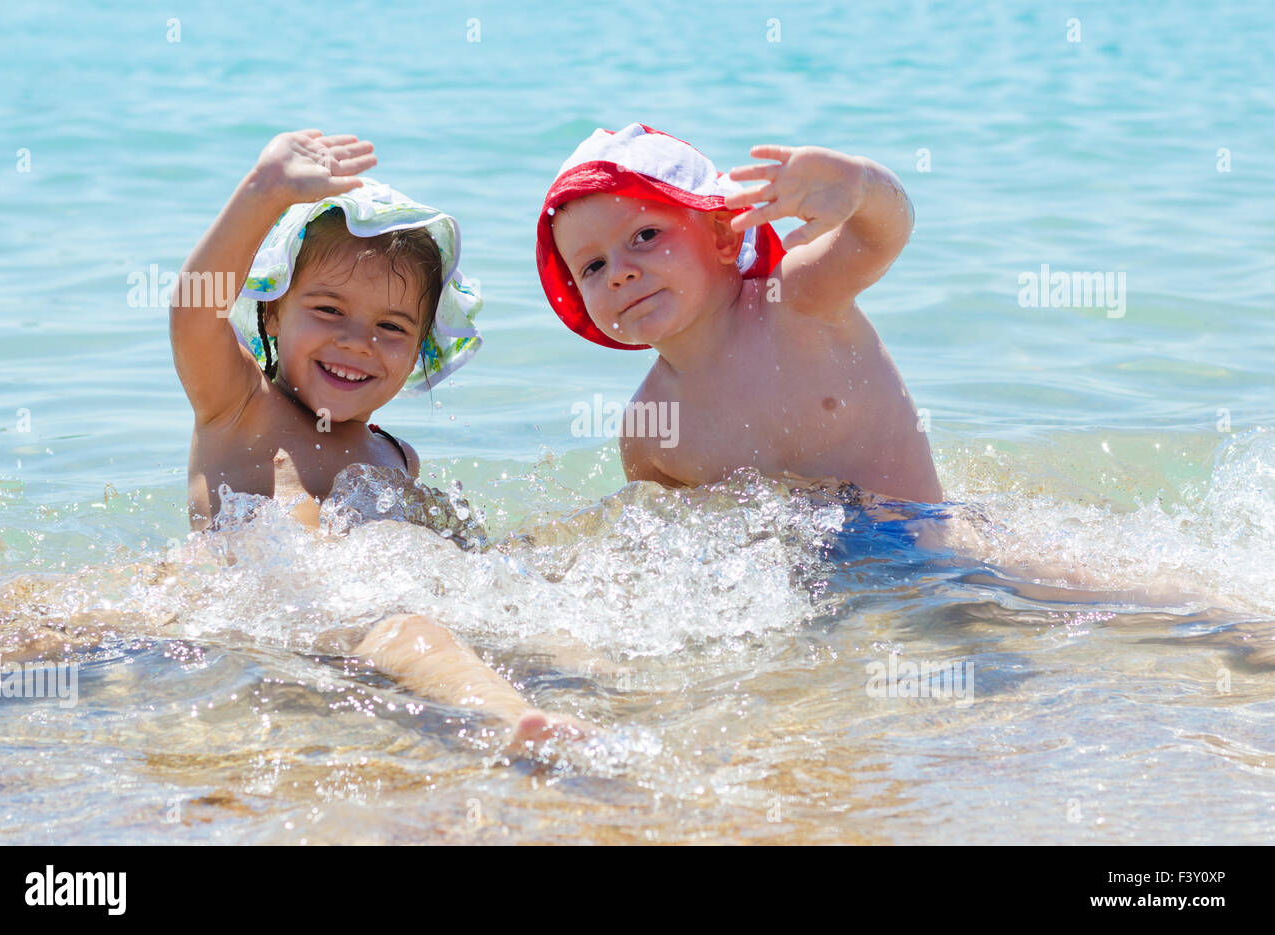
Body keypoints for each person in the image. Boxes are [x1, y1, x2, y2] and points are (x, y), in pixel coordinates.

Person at [171, 129, 585, 752]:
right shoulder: (239, 406)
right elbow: (194, 310)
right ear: (274, 311)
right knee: (414, 635)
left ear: (420, 349)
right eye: (329, 311)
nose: (358, 342)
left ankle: (609, 690)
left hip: (356, 625)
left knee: (552, 625)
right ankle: (512, 724)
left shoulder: (395, 455)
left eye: (391, 327)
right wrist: (263, 193)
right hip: (280, 624)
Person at [537, 123, 943, 504]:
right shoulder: (649, 428)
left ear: (723, 234)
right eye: (593, 266)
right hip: (814, 578)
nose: (619, 273)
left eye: (645, 236)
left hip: (929, 547)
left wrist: (863, 186)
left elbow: (880, 238)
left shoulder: (797, 302)